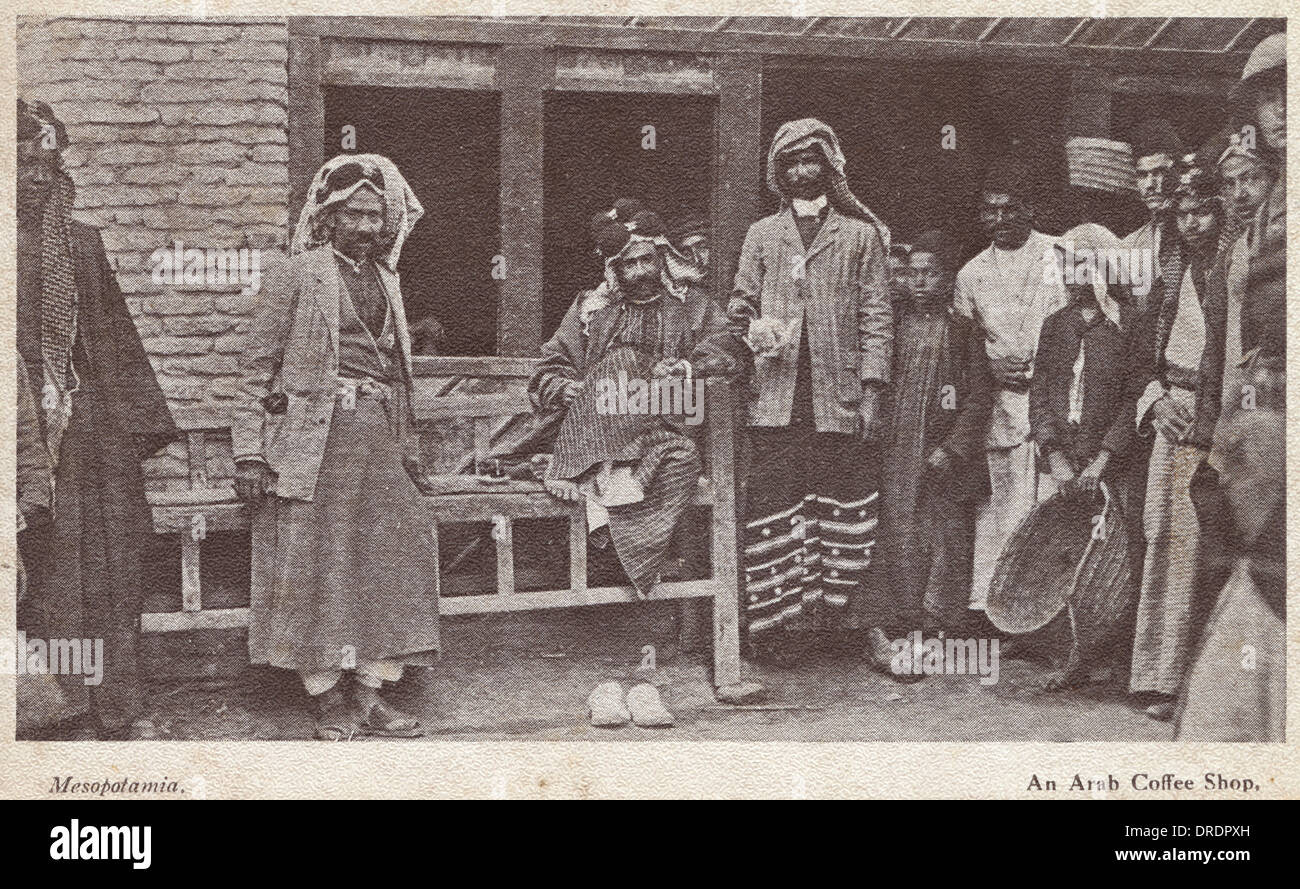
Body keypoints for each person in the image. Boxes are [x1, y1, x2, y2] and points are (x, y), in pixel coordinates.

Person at [233, 154, 438, 741]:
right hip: (312, 442)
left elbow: (397, 373)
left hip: (376, 437)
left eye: (377, 217)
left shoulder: (388, 281)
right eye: (354, 215)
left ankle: (373, 692)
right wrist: (250, 453)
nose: (368, 227)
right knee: (315, 562)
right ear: (327, 218)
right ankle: (325, 698)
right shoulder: (298, 275)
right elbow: (254, 371)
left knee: (391, 558)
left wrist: (409, 450)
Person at [16, 99, 178, 740]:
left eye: (48, 161)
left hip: (88, 428)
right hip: (19, 429)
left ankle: (114, 701)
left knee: (111, 563)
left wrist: (130, 426)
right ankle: (58, 702)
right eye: (23, 159)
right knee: (46, 565)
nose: (37, 174)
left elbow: (114, 339)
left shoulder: (81, 244)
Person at [728, 118, 893, 658]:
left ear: (829, 167)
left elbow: (876, 316)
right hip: (775, 396)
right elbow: (740, 306)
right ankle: (776, 629)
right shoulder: (762, 234)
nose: (802, 172)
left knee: (845, 504)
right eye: (791, 163)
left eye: (811, 162)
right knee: (776, 503)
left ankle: (848, 626)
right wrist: (752, 329)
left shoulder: (860, 236)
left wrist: (871, 391)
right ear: (779, 173)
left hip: (836, 396)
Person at [529, 209, 742, 595]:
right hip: (600, 424)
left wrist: (687, 368)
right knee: (620, 363)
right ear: (615, 268)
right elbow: (549, 367)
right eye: (630, 263)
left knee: (683, 461)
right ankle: (583, 472)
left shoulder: (694, 305)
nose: (642, 271)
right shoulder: (592, 310)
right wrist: (566, 388)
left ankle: (632, 554)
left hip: (668, 421)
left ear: (663, 259)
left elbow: (727, 350)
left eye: (648, 260)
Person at [856, 230, 989, 672]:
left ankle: (940, 624)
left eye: (930, 274)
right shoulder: (889, 326)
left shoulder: (964, 331)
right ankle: (899, 620)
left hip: (938, 448)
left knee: (944, 531)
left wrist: (953, 448)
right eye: (912, 273)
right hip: (896, 445)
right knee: (897, 526)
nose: (919, 282)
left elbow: (975, 397)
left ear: (949, 279)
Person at [1128, 143, 1224, 722]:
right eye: (1184, 213)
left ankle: (1189, 678)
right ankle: (1152, 674)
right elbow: (1144, 350)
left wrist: (1206, 425)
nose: (1191, 223)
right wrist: (1155, 397)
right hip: (1169, 410)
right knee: (1159, 534)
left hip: (1208, 419)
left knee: (1196, 542)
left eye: (1202, 211)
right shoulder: (1171, 268)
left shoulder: (1228, 272)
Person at [952, 158, 1068, 624]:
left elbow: (1076, 327)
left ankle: (1046, 618)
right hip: (997, 406)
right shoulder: (970, 274)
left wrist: (1042, 369)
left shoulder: (1060, 255)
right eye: (989, 211)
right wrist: (991, 368)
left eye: (1009, 210)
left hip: (1051, 402)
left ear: (1031, 211)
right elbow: (963, 349)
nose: (998, 220)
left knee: (1046, 508)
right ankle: (993, 614)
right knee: (997, 511)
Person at [1031, 224, 1140, 505]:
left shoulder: (1129, 325)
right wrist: (1054, 456)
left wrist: (1103, 458)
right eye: (1063, 267)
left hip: (1109, 467)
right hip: (1059, 467)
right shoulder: (1055, 325)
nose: (1068, 276)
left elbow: (1134, 398)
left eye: (1078, 267)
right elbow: (1040, 395)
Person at [1121, 119, 1183, 316]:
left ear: (1178, 174)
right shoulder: (1132, 244)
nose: (1150, 184)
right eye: (1142, 175)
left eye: (1159, 172)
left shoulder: (1195, 230)